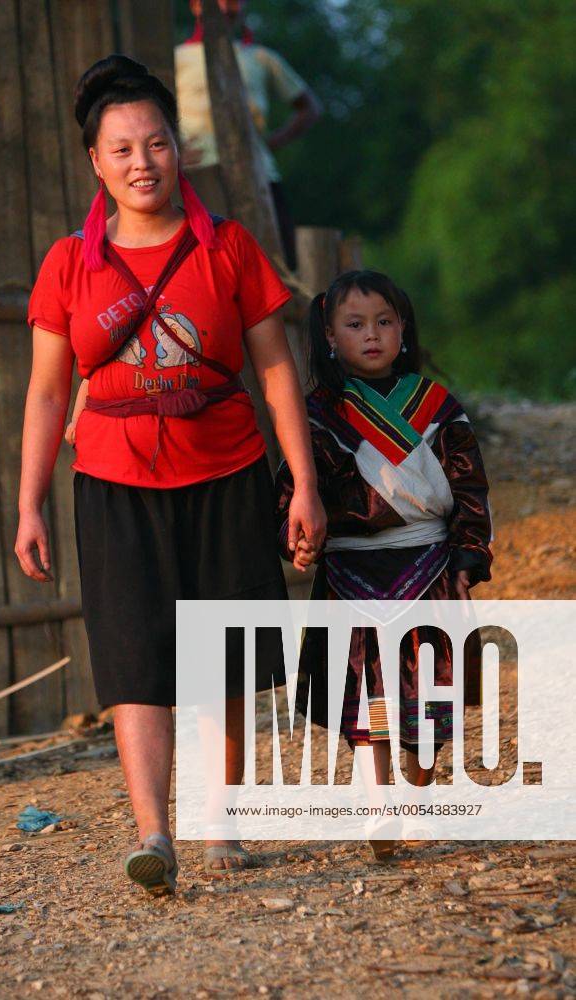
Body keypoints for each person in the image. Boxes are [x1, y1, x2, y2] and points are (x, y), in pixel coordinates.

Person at [15, 54, 325, 897]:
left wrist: (301, 482)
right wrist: (29, 502)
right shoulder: (68, 264)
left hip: (225, 469)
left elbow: (274, 371)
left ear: (176, 151)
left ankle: (217, 818)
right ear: (95, 164)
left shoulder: (226, 248)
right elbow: (48, 393)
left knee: (224, 656)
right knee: (134, 657)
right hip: (114, 481)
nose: (141, 162)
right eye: (121, 150)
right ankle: (154, 829)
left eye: (154, 144)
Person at [275, 269, 493, 859]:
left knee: (432, 693)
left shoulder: (437, 406)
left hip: (430, 566)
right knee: (364, 692)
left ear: (404, 329)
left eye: (384, 322)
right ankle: (380, 808)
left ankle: (415, 802)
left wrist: (472, 551)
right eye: (355, 324)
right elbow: (295, 488)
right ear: (328, 334)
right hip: (350, 570)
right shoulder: (316, 415)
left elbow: (470, 485)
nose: (371, 335)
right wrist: (295, 534)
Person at [175, 0, 322, 269]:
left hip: (259, 176)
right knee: (205, 263)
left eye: (237, 1)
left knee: (275, 263)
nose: (230, 7)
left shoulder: (260, 58)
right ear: (196, 5)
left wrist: (271, 143)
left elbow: (309, 108)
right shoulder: (177, 59)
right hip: (198, 175)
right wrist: (175, 150)